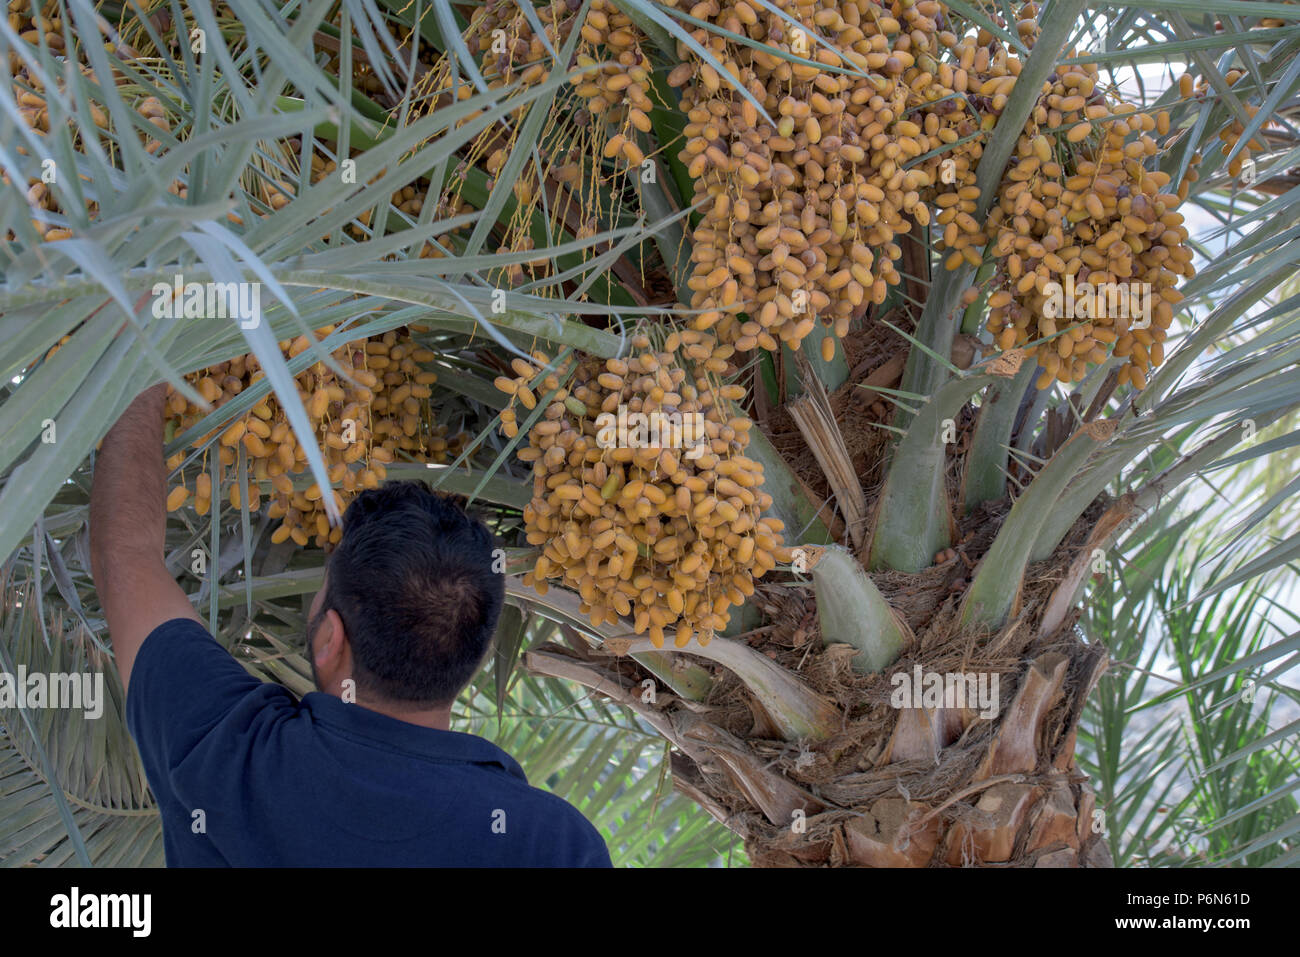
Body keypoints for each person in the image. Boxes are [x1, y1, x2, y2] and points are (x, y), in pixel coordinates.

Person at [88, 381, 612, 867]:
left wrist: (142, 360)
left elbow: (126, 556)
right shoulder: (555, 845)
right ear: (471, 655)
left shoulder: (236, 756)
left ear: (329, 639)